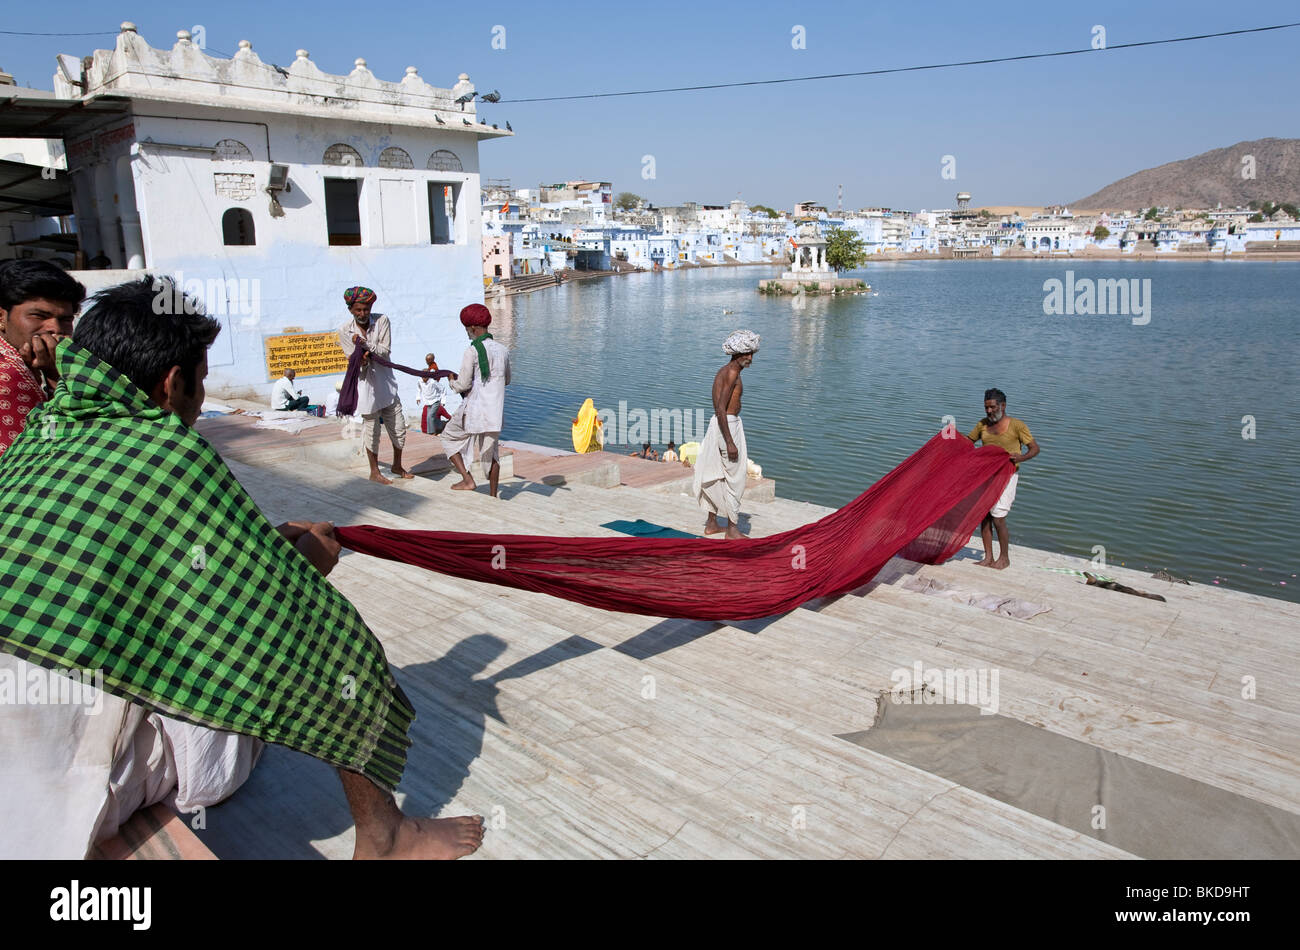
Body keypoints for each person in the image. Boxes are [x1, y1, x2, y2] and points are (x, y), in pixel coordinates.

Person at [0, 276, 484, 859]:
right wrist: (302, 573)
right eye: (200, 384)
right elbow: (265, 620)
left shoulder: (44, 432)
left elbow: (148, 571)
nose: (200, 403)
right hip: (75, 778)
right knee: (338, 647)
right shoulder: (166, 453)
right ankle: (388, 836)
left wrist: (256, 555)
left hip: (22, 742)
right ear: (172, 383)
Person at [0, 260, 86, 455]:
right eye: (38, 316)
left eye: (65, 319)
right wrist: (56, 377)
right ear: (2, 317)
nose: (55, 328)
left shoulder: (35, 366)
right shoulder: (7, 376)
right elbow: (52, 446)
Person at [337, 286, 413, 484]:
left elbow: (384, 351)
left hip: (387, 385)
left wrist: (364, 344)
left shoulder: (382, 321)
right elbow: (351, 359)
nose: (363, 314)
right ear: (351, 310)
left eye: (366, 309)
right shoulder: (345, 331)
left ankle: (397, 465)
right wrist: (361, 359)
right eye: (358, 310)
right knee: (372, 431)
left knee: (398, 427)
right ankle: (374, 471)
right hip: (366, 388)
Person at [693, 329, 758, 539]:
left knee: (718, 474)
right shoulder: (731, 373)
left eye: (752, 353)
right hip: (727, 425)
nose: (750, 358)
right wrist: (730, 442)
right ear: (736, 353)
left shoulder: (724, 371)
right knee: (735, 478)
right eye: (746, 353)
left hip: (719, 425)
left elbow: (718, 410)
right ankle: (732, 529)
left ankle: (712, 523)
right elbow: (721, 408)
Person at [441, 303, 511, 497]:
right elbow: (507, 379)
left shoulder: (471, 351)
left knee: (448, 437)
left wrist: (452, 382)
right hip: (494, 412)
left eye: (467, 329)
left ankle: (467, 479)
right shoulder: (503, 350)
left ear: (472, 328)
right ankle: (492, 495)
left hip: (474, 410)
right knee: (491, 454)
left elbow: (462, 385)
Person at [966, 387, 1040, 569]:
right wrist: (949, 438)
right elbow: (968, 442)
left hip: (1007, 475)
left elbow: (1035, 449)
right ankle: (988, 557)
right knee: (984, 516)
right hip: (985, 475)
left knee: (998, 517)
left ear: (1003, 405)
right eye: (986, 407)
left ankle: (1004, 558)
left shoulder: (1017, 426)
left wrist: (1020, 457)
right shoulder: (982, 425)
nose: (989, 411)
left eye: (992, 407)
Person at [416, 352, 453, 435]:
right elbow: (419, 388)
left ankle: (432, 432)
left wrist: (443, 401)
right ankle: (432, 432)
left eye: (428, 360)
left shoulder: (433, 372)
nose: (427, 362)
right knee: (430, 417)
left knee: (430, 417)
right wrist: (418, 397)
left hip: (435, 399)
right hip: (429, 400)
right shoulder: (421, 381)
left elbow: (442, 389)